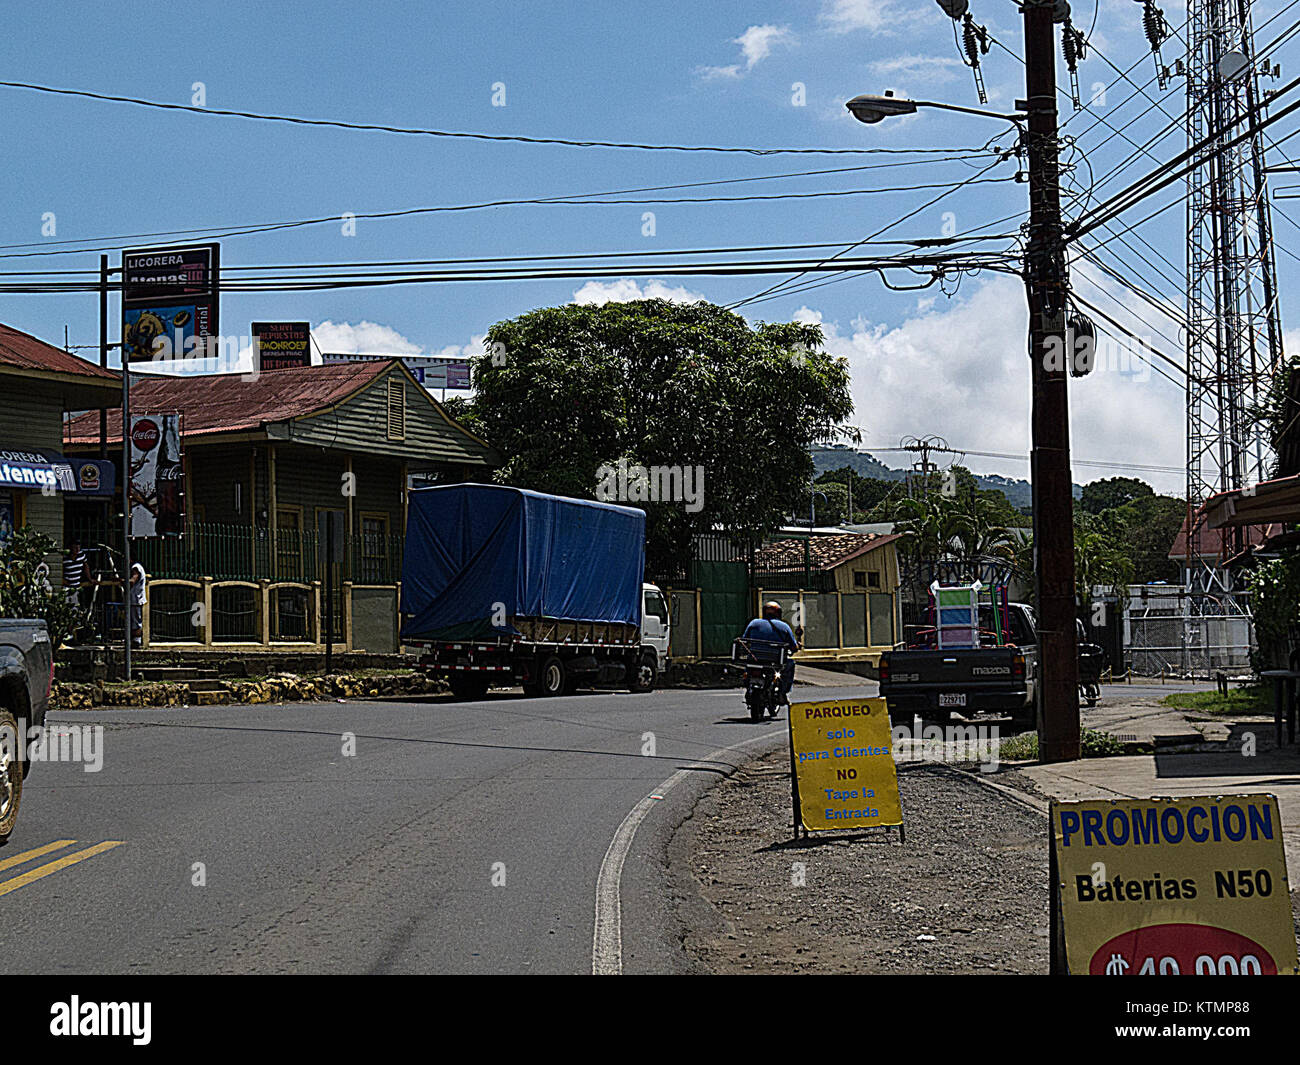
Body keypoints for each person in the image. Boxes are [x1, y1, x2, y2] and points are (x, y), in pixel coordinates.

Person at [741, 601, 800, 702]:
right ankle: (782, 693)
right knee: (790, 664)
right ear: (778, 613)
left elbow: (744, 641)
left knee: (748, 668)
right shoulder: (784, 626)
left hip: (754, 659)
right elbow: (794, 647)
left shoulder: (753, 623)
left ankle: (748, 688)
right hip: (774, 660)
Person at [63, 539, 89, 609]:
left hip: (76, 587)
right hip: (66, 588)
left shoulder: (81, 555)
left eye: (78, 547)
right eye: (75, 548)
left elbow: (86, 566)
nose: (77, 550)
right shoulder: (65, 558)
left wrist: (89, 578)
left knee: (75, 607)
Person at [129, 560, 147, 649]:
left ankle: (137, 640)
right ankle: (135, 639)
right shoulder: (138, 567)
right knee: (135, 620)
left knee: (136, 620)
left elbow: (132, 580)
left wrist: (122, 581)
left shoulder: (136, 567)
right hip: (135, 598)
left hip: (136, 599)